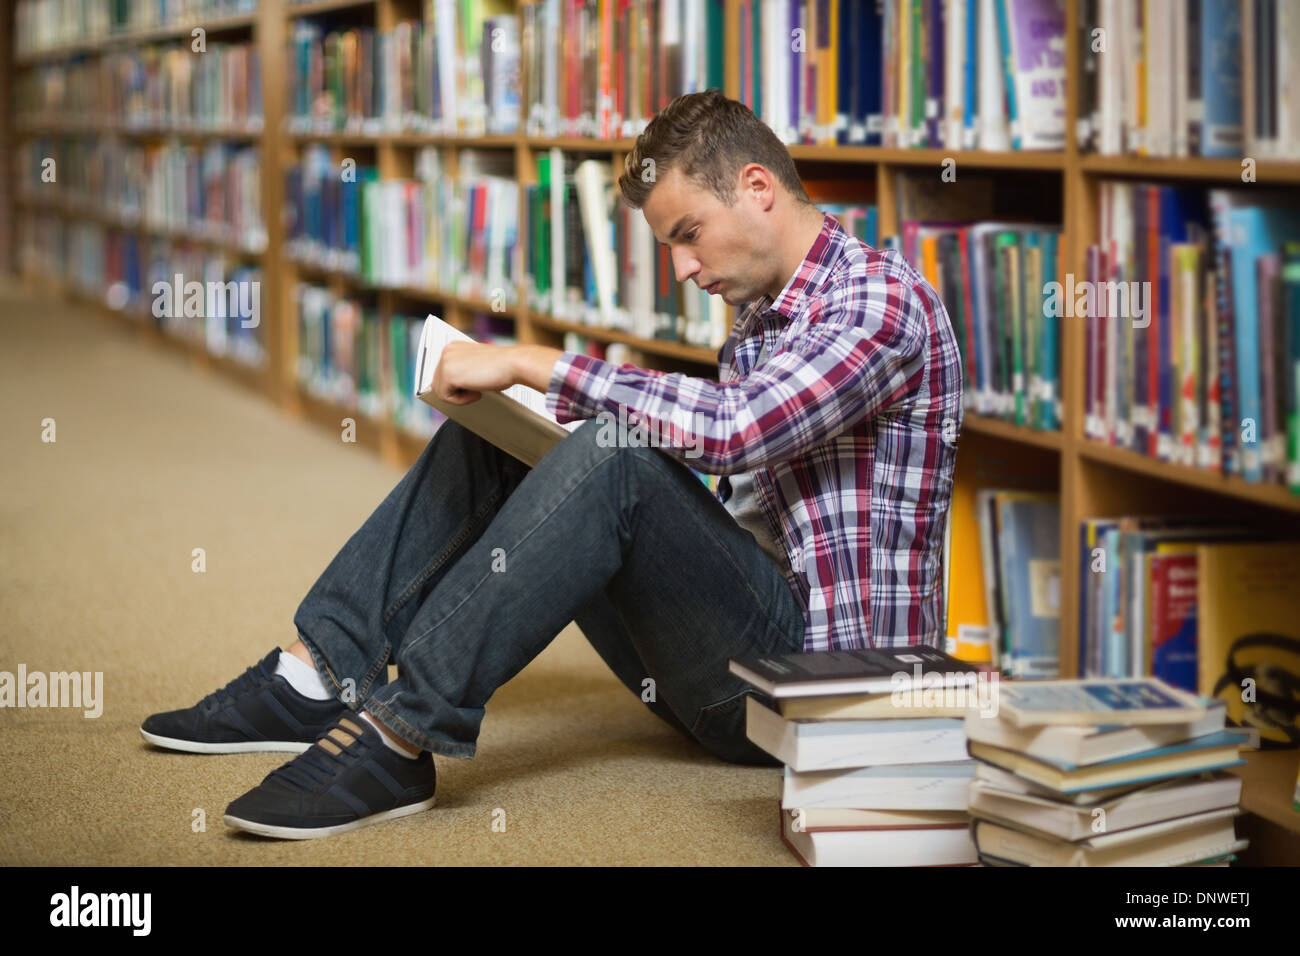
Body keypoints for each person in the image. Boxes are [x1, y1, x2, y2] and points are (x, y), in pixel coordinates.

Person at [140, 89, 963, 840]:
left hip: (815, 691)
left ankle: (401, 736)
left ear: (757, 187)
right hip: (726, 661)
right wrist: (531, 405)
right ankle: (316, 672)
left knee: (611, 452)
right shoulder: (762, 316)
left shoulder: (879, 303)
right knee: (505, 432)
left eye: (687, 235)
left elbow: (738, 431)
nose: (682, 269)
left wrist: (536, 364)